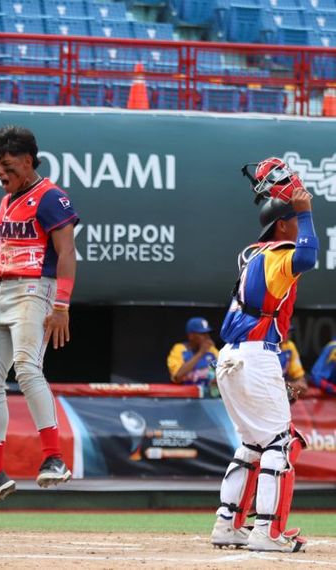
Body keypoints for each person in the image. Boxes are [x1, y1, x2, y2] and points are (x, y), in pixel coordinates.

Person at [0, 125, 78, 513]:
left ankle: (54, 457)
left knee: (26, 368)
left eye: (7, 166)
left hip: (35, 290)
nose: (0, 173)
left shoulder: (50, 196)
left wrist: (62, 305)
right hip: (4, 290)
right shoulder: (7, 200)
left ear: (27, 162)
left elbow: (68, 251)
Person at [210, 158, 317, 552]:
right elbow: (307, 257)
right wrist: (304, 214)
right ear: (283, 225)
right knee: (281, 443)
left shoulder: (253, 253)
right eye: (291, 220)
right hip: (254, 356)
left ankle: (228, 525)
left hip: (231, 359)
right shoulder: (280, 252)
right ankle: (268, 531)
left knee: (253, 444)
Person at [166, 317, 219, 387]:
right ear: (191, 335)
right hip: (185, 395)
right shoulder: (179, 349)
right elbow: (178, 377)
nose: (207, 337)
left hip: (208, 396)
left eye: (207, 333)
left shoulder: (211, 350)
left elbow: (224, 372)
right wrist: (201, 353)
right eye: (202, 334)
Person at [280, 325, 308, 400]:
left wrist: (299, 383)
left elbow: (300, 380)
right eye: (285, 331)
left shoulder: (289, 346)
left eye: (289, 332)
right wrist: (291, 385)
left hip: (281, 388)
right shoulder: (264, 348)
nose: (288, 335)